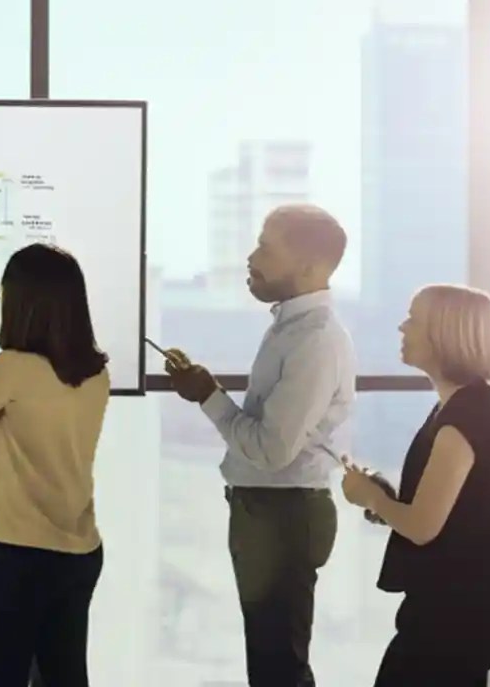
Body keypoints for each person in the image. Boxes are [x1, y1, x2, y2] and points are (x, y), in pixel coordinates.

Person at [165, 204, 356, 687]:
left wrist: (208, 396)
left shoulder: (313, 340)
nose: (252, 257)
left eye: (267, 247)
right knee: (272, 665)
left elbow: (272, 449)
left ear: (310, 268)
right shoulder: (290, 328)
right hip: (268, 514)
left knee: (279, 670)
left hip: (282, 518)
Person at [340, 284, 490, 686]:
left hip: (459, 607)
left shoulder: (466, 412)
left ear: (446, 334)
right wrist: (387, 500)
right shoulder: (458, 406)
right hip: (457, 601)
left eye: (414, 320)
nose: (403, 327)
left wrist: (370, 496)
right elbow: (447, 515)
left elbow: (423, 527)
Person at [0, 243, 110, 687]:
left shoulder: (11, 366)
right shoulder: (97, 374)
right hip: (80, 551)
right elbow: (47, 445)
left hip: (21, 553)